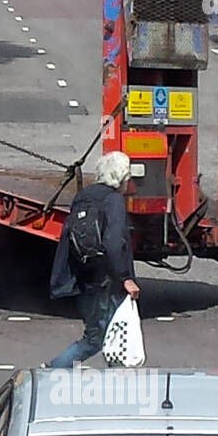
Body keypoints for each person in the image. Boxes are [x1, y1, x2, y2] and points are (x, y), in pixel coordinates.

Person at [45, 150, 140, 369]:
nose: (129, 182)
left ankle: (115, 375)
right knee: (99, 337)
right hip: (105, 282)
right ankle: (53, 369)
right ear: (120, 179)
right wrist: (125, 278)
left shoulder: (84, 196)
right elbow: (114, 243)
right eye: (127, 178)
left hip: (84, 275)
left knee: (102, 334)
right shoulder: (113, 201)